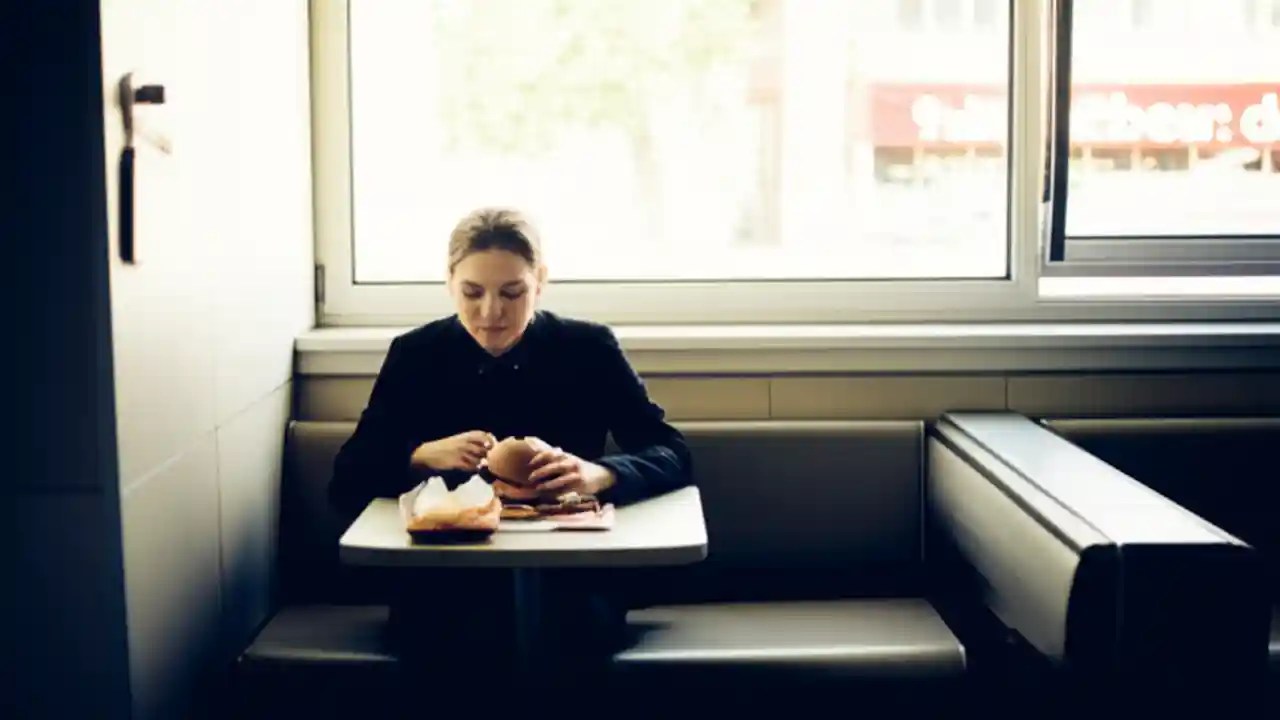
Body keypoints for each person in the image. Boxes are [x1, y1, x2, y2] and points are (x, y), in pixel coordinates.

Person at [327, 207, 693, 681]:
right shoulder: (417, 355)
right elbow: (347, 478)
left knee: (569, 642)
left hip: (570, 575)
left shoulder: (587, 349)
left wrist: (599, 473)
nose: (491, 313)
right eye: (472, 293)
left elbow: (672, 452)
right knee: (453, 645)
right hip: (445, 580)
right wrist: (418, 456)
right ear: (448, 283)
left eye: (512, 293)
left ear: (540, 281)